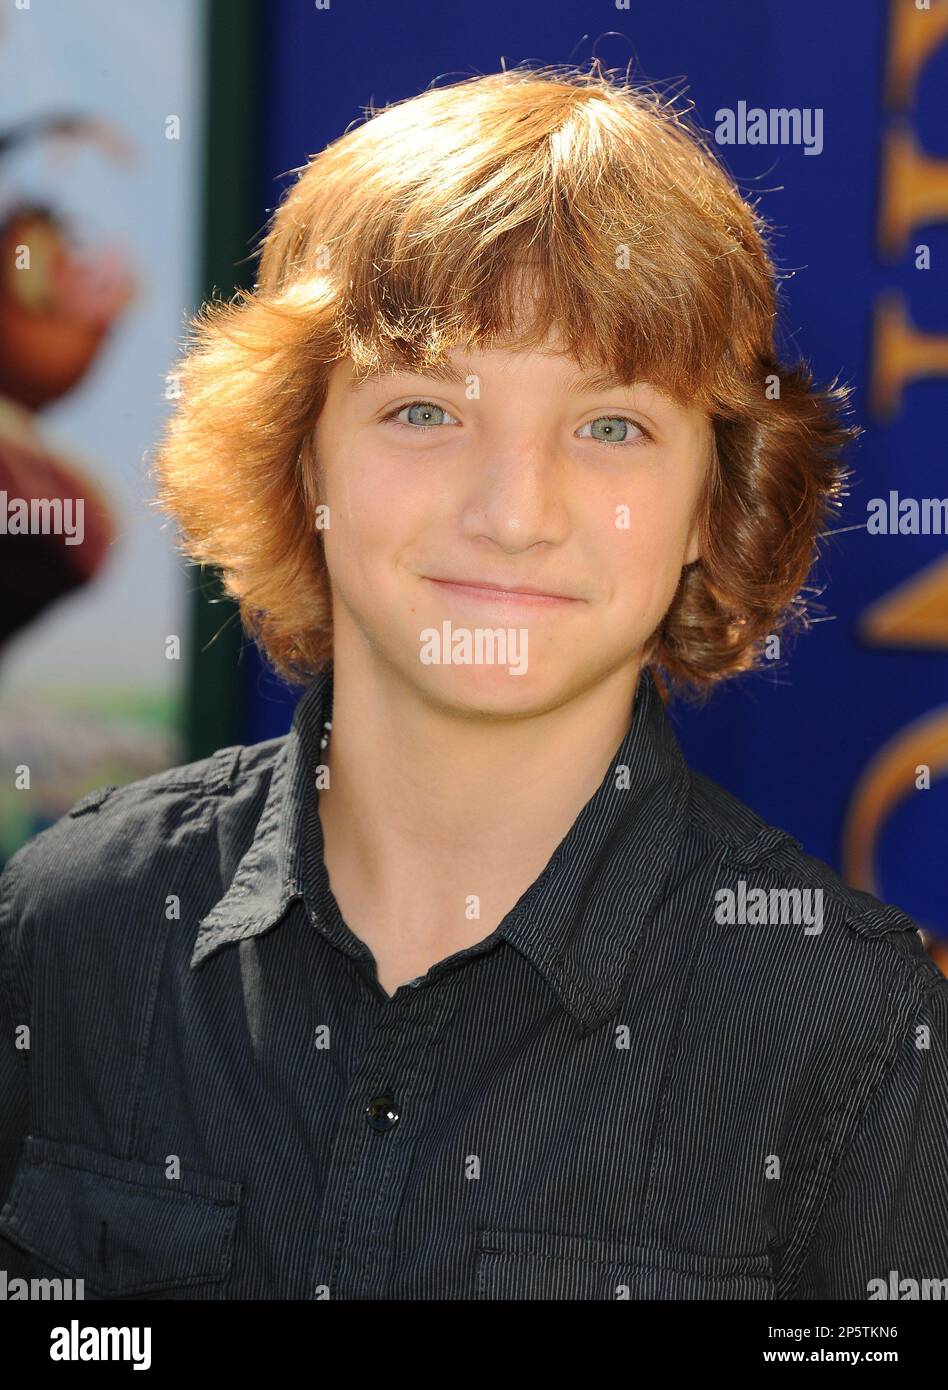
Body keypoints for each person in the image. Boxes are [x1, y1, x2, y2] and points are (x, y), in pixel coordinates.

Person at [1, 64, 946, 1302]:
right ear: (295, 455)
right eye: (424, 410)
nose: (511, 513)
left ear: (716, 501)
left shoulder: (854, 1034)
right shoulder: (70, 927)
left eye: (611, 425)